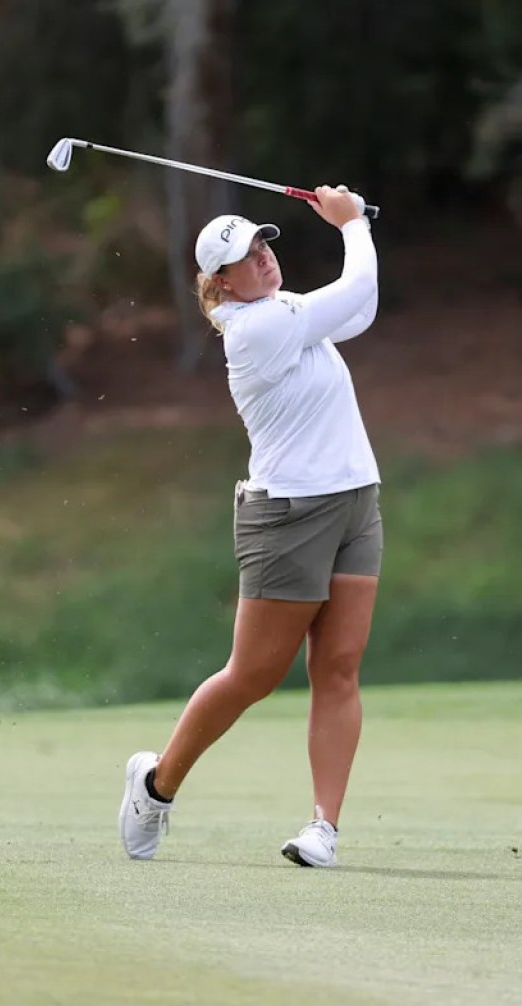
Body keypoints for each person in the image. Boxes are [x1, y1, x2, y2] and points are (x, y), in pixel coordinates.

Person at [119, 185, 382, 868]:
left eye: (264, 244)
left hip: (356, 500)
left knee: (340, 668)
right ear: (221, 285)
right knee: (253, 676)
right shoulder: (256, 328)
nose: (263, 258)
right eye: (245, 256)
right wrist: (351, 223)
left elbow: (362, 307)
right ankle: (156, 785)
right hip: (289, 514)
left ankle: (324, 828)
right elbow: (357, 289)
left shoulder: (286, 310)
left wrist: (353, 233)